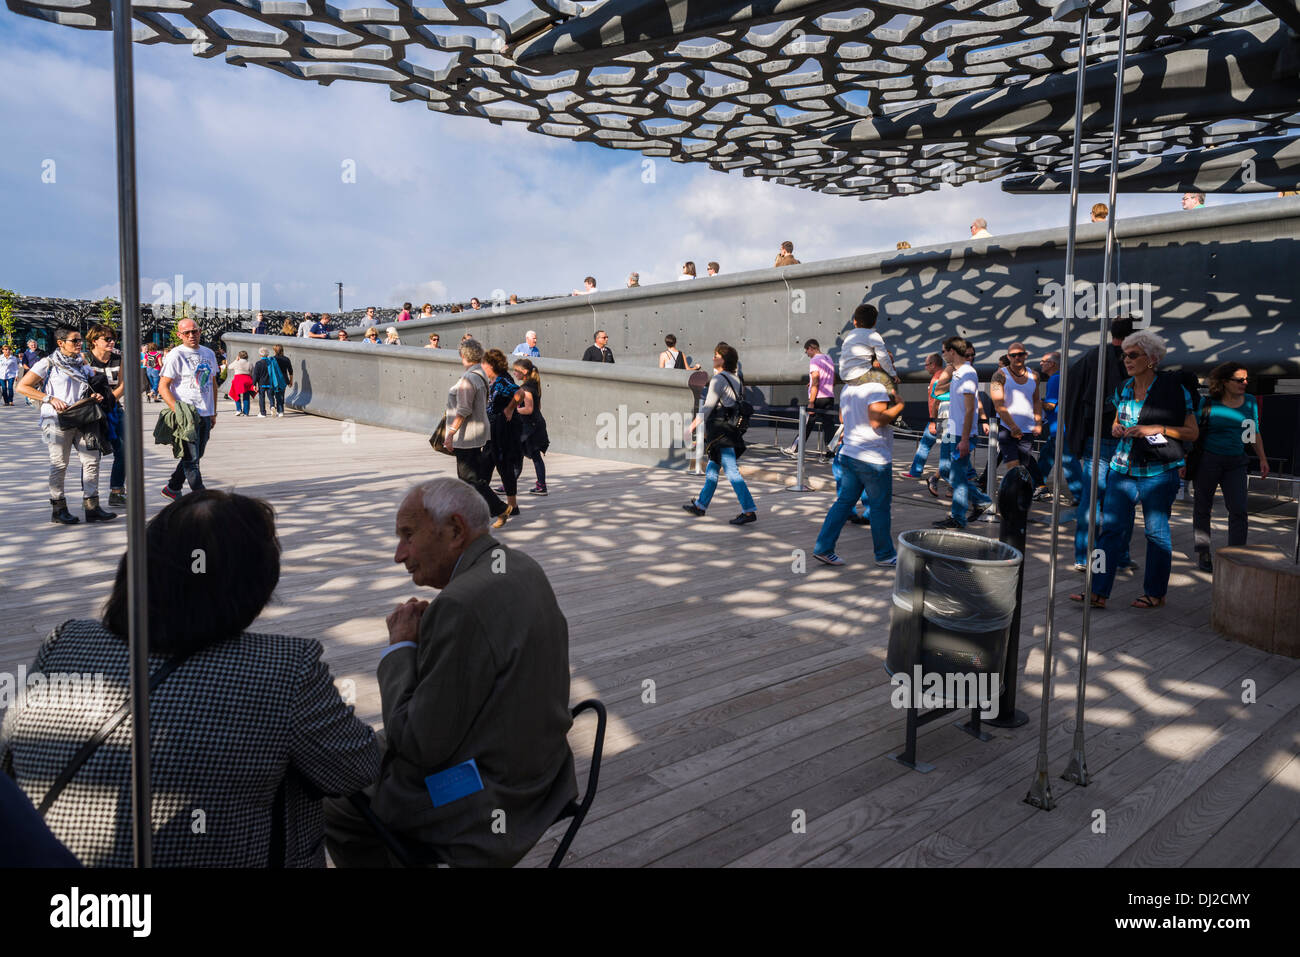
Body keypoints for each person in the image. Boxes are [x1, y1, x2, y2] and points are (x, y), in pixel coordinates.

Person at [1, 491, 380, 866]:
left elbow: (9, 755)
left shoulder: (67, 639)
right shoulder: (285, 668)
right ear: (255, 583)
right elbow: (355, 769)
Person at [322, 478, 576, 867]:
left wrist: (401, 647)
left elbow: (418, 745)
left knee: (337, 801)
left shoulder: (459, 605)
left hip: (486, 794)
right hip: (544, 771)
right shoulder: (522, 565)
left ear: (456, 530)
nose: (398, 554)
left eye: (408, 535)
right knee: (367, 754)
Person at [1072, 330, 1199, 610]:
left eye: (1133, 355)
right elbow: (1118, 419)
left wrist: (1156, 429)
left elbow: (1192, 433)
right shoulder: (1124, 388)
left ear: (1152, 359)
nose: (1126, 360)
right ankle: (1096, 589)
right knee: (1110, 530)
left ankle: (1155, 592)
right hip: (1122, 468)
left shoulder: (1174, 390)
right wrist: (1117, 428)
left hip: (1159, 471)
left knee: (1156, 533)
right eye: (1124, 355)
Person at [15, 325, 112, 525]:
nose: (79, 344)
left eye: (80, 340)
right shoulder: (47, 363)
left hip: (83, 418)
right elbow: (22, 387)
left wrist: (94, 395)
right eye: (74, 341)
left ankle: (92, 507)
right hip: (54, 420)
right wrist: (49, 398)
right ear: (61, 343)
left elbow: (85, 388)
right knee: (59, 463)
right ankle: (58, 508)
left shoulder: (81, 364)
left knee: (91, 460)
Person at [1060, 317, 1136, 573]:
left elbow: (1074, 393)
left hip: (1095, 437)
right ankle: (1120, 555)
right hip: (1125, 440)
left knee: (1092, 500)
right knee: (1124, 500)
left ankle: (1084, 556)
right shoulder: (1136, 360)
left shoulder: (1092, 357)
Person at [812, 376, 904, 567]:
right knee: (879, 507)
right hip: (873, 457)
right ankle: (885, 554)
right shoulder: (876, 387)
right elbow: (877, 421)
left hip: (849, 453)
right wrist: (899, 406)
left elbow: (841, 418)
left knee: (844, 502)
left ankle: (824, 547)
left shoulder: (848, 387)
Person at [1192, 362, 1270, 572]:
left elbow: (1253, 431)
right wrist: (1184, 460)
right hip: (1208, 460)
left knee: (1239, 509)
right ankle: (1203, 551)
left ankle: (1236, 554)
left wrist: (1262, 457)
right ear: (1225, 382)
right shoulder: (1208, 403)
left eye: (1246, 379)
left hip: (1236, 461)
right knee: (1202, 508)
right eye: (1239, 380)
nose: (1245, 383)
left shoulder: (1250, 402)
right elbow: (1193, 432)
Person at [683, 343, 757, 525]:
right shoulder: (736, 378)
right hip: (730, 429)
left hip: (720, 431)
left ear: (724, 359)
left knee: (731, 471)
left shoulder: (718, 380)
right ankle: (700, 505)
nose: (713, 358)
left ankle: (749, 510)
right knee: (712, 468)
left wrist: (690, 427)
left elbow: (708, 407)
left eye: (716, 355)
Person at [440, 338, 508, 523]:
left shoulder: (469, 377)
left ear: (463, 355)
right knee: (473, 476)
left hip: (467, 433)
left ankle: (499, 508)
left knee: (468, 477)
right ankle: (474, 512)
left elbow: (463, 409)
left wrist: (450, 434)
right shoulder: (480, 373)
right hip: (477, 431)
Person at [932, 336, 991, 528]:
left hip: (961, 434)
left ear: (952, 351)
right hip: (951, 429)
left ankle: (958, 518)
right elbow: (937, 391)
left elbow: (969, 409)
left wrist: (965, 440)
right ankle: (981, 500)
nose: (943, 355)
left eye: (944, 351)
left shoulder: (967, 373)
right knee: (945, 468)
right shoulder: (957, 373)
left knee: (958, 476)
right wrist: (949, 369)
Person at [158, 318, 219, 499]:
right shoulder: (176, 355)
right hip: (186, 414)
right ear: (180, 335)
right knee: (191, 459)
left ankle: (173, 487)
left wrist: (214, 411)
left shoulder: (209, 353)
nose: (192, 335)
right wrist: (178, 410)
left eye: (195, 331)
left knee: (196, 454)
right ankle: (200, 496)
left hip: (205, 412)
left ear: (200, 331)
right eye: (187, 333)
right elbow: (163, 386)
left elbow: (213, 383)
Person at [85, 324, 127, 508]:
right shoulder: (85, 359)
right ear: (94, 341)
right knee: (92, 455)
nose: (112, 342)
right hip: (91, 412)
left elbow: (124, 384)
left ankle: (116, 492)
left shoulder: (119, 358)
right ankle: (90, 498)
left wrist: (109, 400)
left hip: (114, 409)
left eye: (113, 338)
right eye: (107, 339)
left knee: (125, 451)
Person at [1035, 351, 1085, 505]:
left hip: (1060, 428)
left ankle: (1081, 495)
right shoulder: (1064, 377)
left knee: (1069, 462)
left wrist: (1036, 401)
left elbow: (1050, 405)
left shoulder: (1054, 379)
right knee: (1045, 457)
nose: (1041, 364)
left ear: (1052, 364)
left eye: (1043, 361)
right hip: (1059, 428)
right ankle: (1037, 485)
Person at [482, 349, 523, 529]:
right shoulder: (496, 380)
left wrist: (509, 409)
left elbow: (520, 393)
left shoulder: (502, 380)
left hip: (501, 432)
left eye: (484, 364)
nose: (482, 367)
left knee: (492, 466)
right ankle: (510, 505)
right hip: (495, 431)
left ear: (491, 365)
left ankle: (501, 506)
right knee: (496, 466)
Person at [990, 341, 1043, 474]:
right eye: (1013, 355)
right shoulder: (999, 375)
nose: (1017, 358)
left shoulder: (1034, 375)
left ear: (1026, 355)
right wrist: (1013, 426)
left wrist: (1038, 422)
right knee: (1013, 466)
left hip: (1027, 429)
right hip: (1006, 427)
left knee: (1024, 466)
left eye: (1020, 354)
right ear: (1008, 357)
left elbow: (1036, 401)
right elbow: (998, 404)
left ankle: (1030, 490)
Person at [785, 338, 836, 457]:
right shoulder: (828, 358)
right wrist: (813, 381)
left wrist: (811, 401)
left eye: (806, 351)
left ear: (811, 348)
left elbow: (817, 379)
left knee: (806, 424)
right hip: (829, 396)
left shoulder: (814, 360)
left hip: (817, 398)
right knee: (828, 426)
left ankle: (795, 449)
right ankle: (830, 453)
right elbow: (832, 379)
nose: (807, 354)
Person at [907, 353, 949, 479]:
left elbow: (934, 401)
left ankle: (916, 471)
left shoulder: (937, 379)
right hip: (945, 419)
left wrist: (932, 421)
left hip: (940, 419)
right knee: (950, 447)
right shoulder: (946, 376)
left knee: (927, 445)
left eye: (926, 365)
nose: (925, 368)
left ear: (933, 364)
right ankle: (969, 473)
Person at [512, 357, 549, 495]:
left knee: (525, 455)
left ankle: (510, 484)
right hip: (534, 425)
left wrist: (512, 410)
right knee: (525, 455)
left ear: (524, 371)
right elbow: (538, 407)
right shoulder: (534, 385)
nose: (514, 373)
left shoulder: (526, 389)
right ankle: (540, 485)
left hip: (530, 428)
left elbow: (529, 409)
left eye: (516, 371)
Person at [839, 302, 899, 387]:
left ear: (854, 321)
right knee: (888, 382)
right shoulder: (873, 336)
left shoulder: (850, 335)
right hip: (861, 375)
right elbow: (883, 357)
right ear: (874, 322)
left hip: (845, 376)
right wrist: (893, 374)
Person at [226, 349, 256, 417]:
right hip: (247, 379)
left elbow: (229, 367)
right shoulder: (250, 363)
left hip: (238, 379)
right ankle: (246, 412)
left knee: (236, 395)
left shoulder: (237, 362)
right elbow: (252, 373)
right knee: (246, 396)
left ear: (239, 356)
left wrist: (236, 360)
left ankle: (238, 409)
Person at [20, 339, 41, 406]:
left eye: (34, 344)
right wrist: (30, 370)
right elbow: (24, 364)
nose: (33, 346)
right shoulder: (26, 354)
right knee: (29, 386)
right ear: (28, 346)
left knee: (39, 387)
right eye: (31, 345)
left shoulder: (41, 352)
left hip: (40, 372)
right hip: (29, 373)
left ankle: (36, 399)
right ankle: (28, 400)